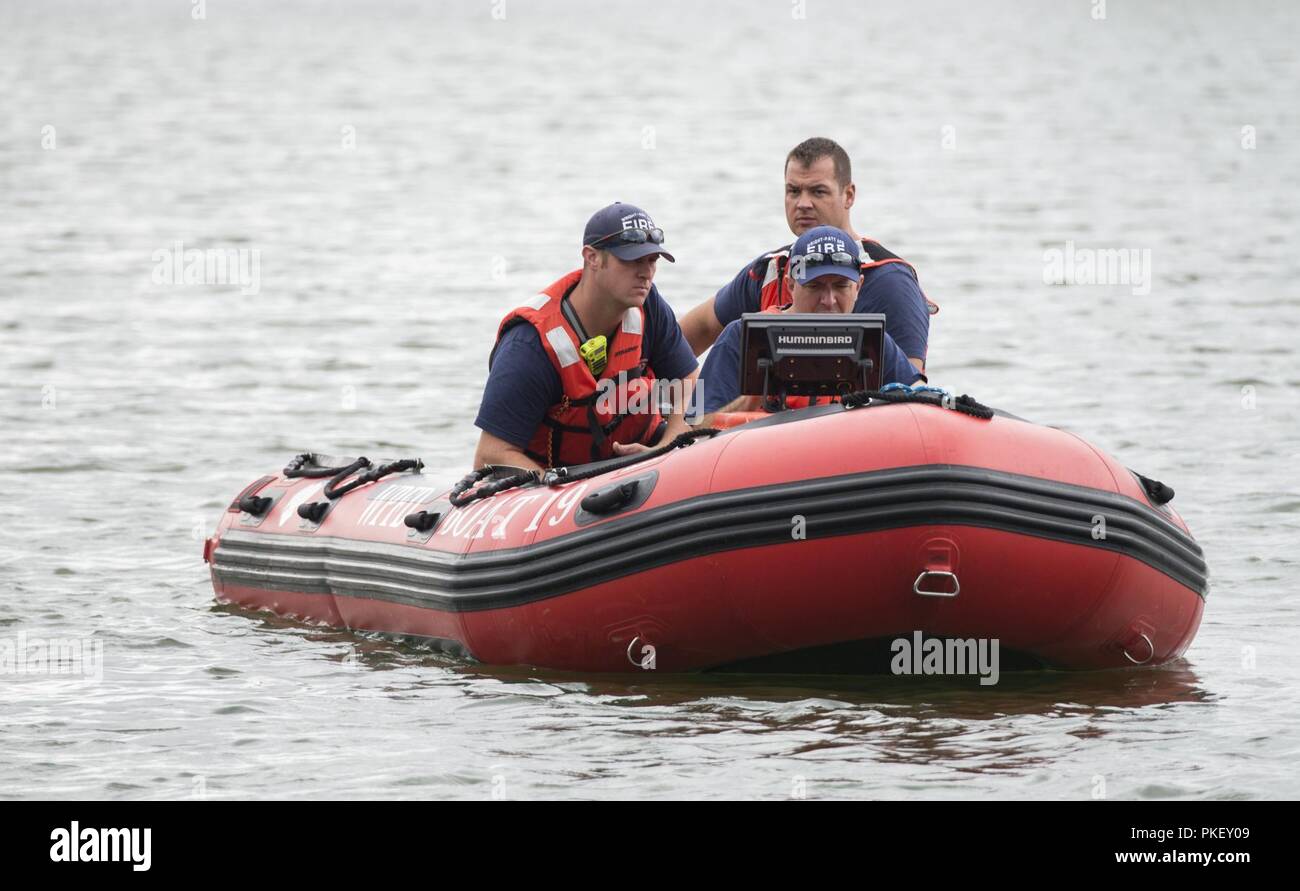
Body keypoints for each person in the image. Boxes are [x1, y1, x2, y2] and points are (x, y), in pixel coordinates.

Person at [473, 203, 699, 470]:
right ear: (592, 258)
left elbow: (689, 381)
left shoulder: (650, 306)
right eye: (631, 260)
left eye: (652, 260)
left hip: (642, 466)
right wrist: (560, 486)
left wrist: (666, 448)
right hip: (556, 487)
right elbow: (490, 455)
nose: (646, 272)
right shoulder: (529, 345)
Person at [679, 137, 934, 372]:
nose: (803, 204)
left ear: (849, 195)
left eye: (818, 192)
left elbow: (908, 392)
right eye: (793, 191)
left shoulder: (891, 281)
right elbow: (695, 332)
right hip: (767, 417)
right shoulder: (770, 269)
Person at [698, 226, 923, 426]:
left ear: (858, 287)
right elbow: (696, 427)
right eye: (815, 286)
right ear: (791, 284)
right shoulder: (742, 336)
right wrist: (749, 400)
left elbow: (920, 404)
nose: (829, 300)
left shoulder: (876, 341)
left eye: (841, 286)